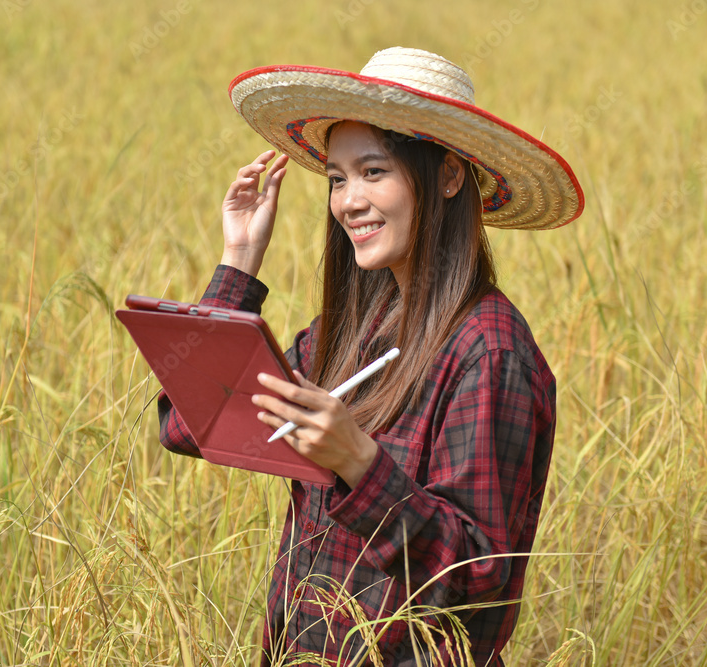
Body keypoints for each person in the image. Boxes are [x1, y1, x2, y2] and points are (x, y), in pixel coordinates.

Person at [158, 47, 584, 666]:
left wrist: (359, 462)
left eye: (374, 172)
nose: (348, 201)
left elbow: (477, 580)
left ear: (447, 176)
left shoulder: (489, 353)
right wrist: (238, 263)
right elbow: (187, 425)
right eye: (337, 178)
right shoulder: (350, 332)